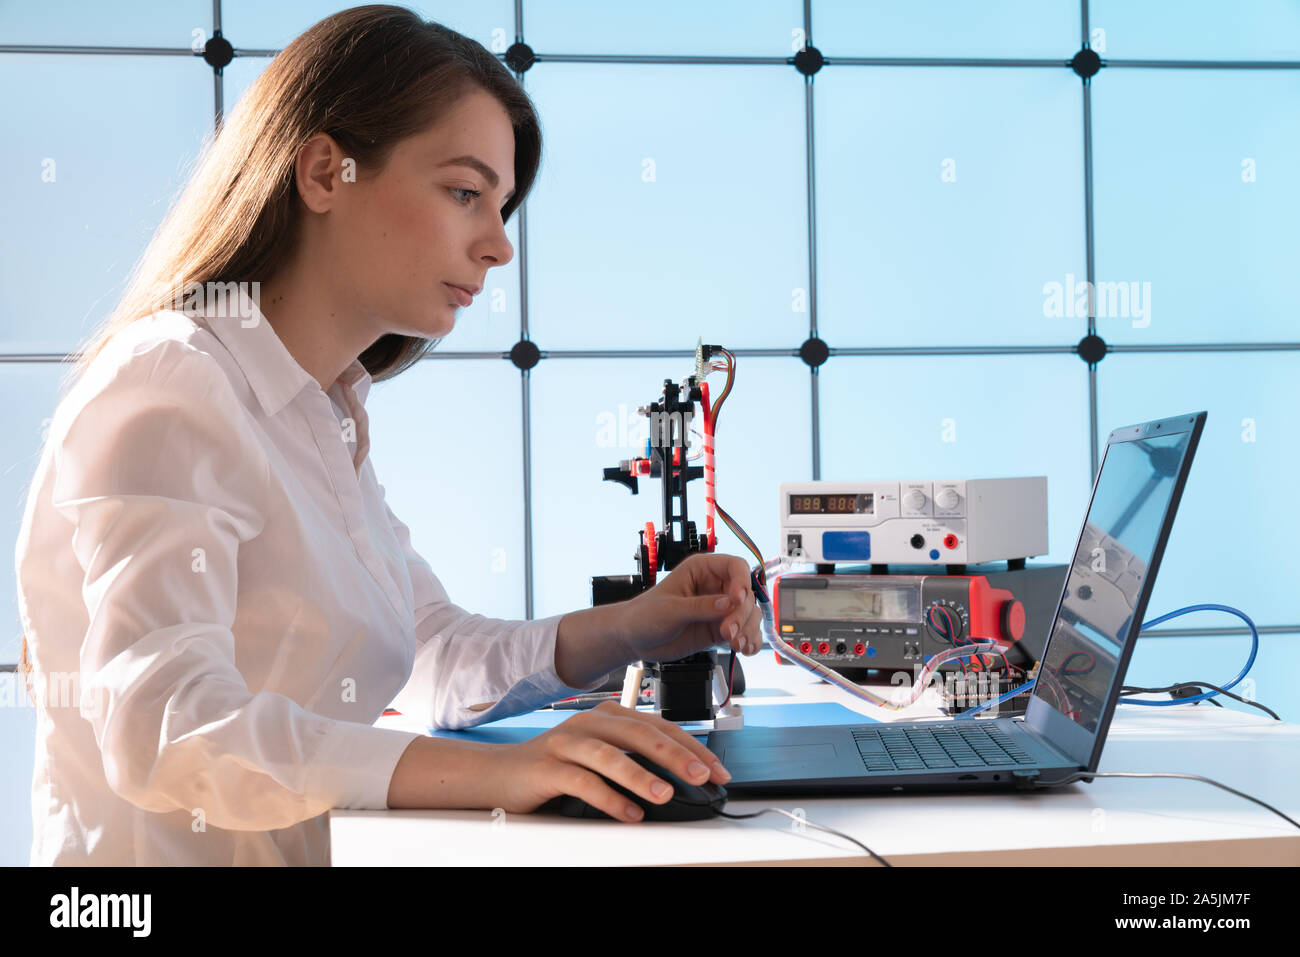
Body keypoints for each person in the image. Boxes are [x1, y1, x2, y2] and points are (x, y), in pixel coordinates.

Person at [14, 5, 760, 866]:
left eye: (503, 205)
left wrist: (637, 625)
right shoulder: (173, 378)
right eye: (464, 193)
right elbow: (165, 724)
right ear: (328, 172)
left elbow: (433, 654)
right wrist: (500, 774)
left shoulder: (323, 412)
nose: (498, 246)